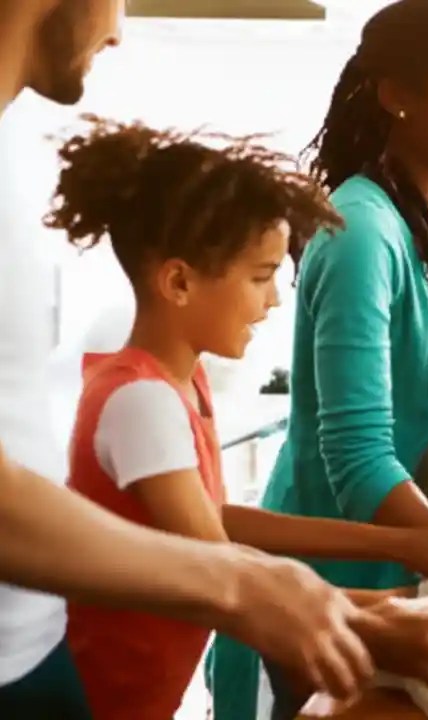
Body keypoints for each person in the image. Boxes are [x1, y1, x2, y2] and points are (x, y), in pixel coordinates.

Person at [0, 0, 377, 714]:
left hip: (35, 648)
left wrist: (395, 557)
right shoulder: (138, 395)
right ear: (177, 281)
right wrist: (298, 598)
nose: (117, 30)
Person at [47, 116, 428, 719]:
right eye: (262, 277)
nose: (273, 299)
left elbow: (212, 519)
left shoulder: (177, 379)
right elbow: (221, 570)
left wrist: (405, 542)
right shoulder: (141, 403)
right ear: (179, 282)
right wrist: (374, 611)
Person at [207, 1, 428, 716]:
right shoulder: (363, 230)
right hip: (308, 608)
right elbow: (359, 460)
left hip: (382, 592)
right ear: (397, 96)